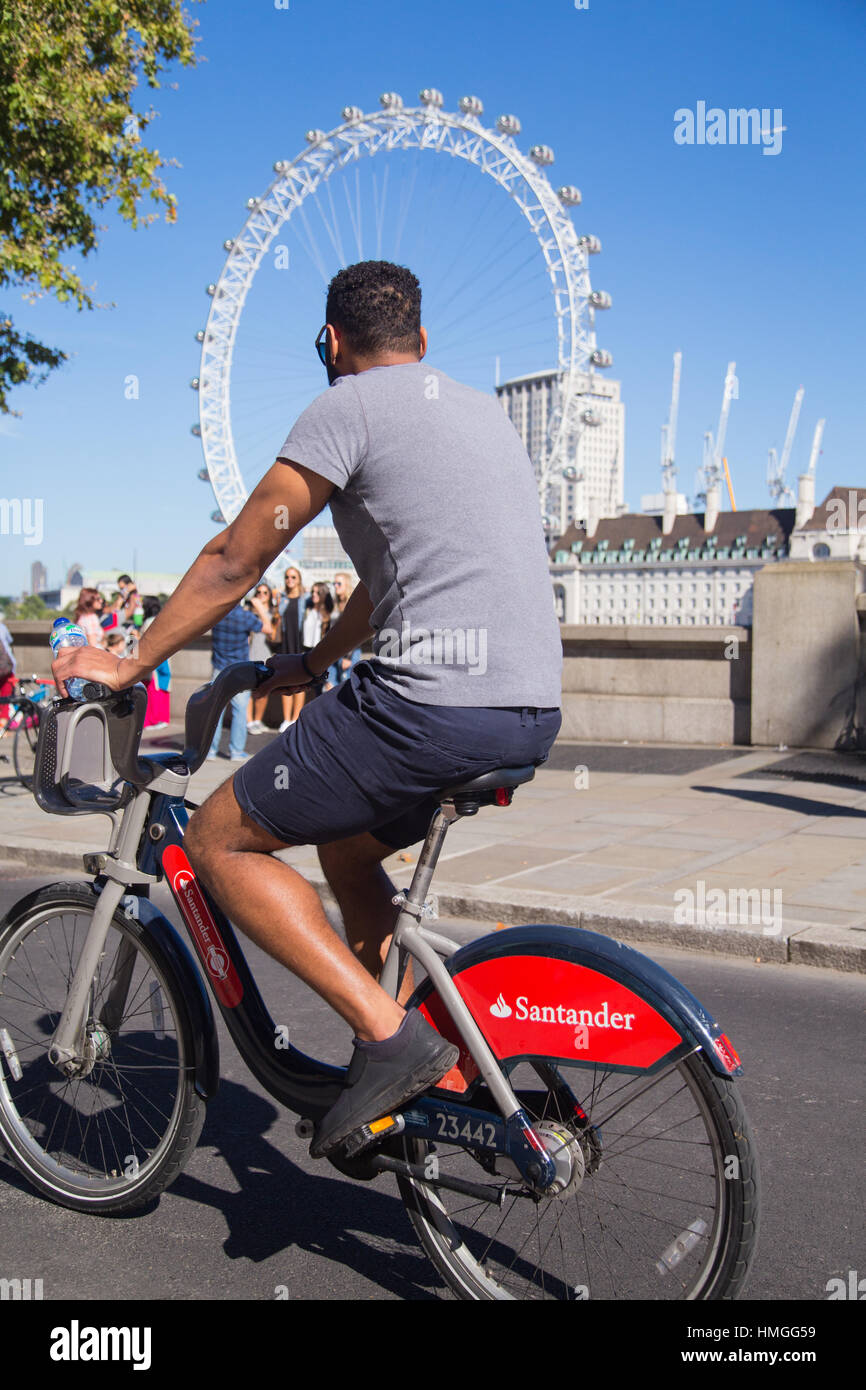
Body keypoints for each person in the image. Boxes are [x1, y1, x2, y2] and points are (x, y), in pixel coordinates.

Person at [50, 259, 562, 1159]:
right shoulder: (477, 410)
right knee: (344, 846)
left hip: (427, 707)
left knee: (215, 838)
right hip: (527, 707)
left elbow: (234, 561)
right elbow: (402, 569)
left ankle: (388, 1034)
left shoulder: (347, 406)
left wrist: (130, 659)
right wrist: (319, 657)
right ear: (423, 341)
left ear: (331, 342)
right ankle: (400, 1081)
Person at [205, 593, 271, 760]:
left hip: (219, 668)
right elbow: (269, 629)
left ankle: (210, 751)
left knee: (215, 711)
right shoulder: (245, 616)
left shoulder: (217, 613)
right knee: (240, 711)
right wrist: (260, 608)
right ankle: (235, 751)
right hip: (239, 669)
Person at [246, 583, 279, 733]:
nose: (261, 595)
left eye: (265, 593)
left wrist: (262, 611)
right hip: (249, 655)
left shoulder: (273, 614)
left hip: (266, 656)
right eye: (258, 592)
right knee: (247, 692)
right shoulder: (249, 613)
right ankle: (249, 722)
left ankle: (258, 720)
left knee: (263, 691)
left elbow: (272, 634)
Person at [277, 566, 306, 731]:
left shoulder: (305, 598)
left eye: (293, 577)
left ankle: (295, 718)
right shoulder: (282, 598)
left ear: (299, 579)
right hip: (285, 644)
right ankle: (286, 718)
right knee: (285, 682)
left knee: (301, 681)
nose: (290, 580)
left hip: (300, 643)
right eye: (287, 577)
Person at [328, 572, 361, 687]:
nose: (335, 586)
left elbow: (356, 632)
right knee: (329, 687)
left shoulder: (352, 604)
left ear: (347, 585)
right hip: (333, 651)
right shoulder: (336, 604)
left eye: (339, 583)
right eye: (334, 583)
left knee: (345, 689)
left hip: (348, 652)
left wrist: (348, 657)